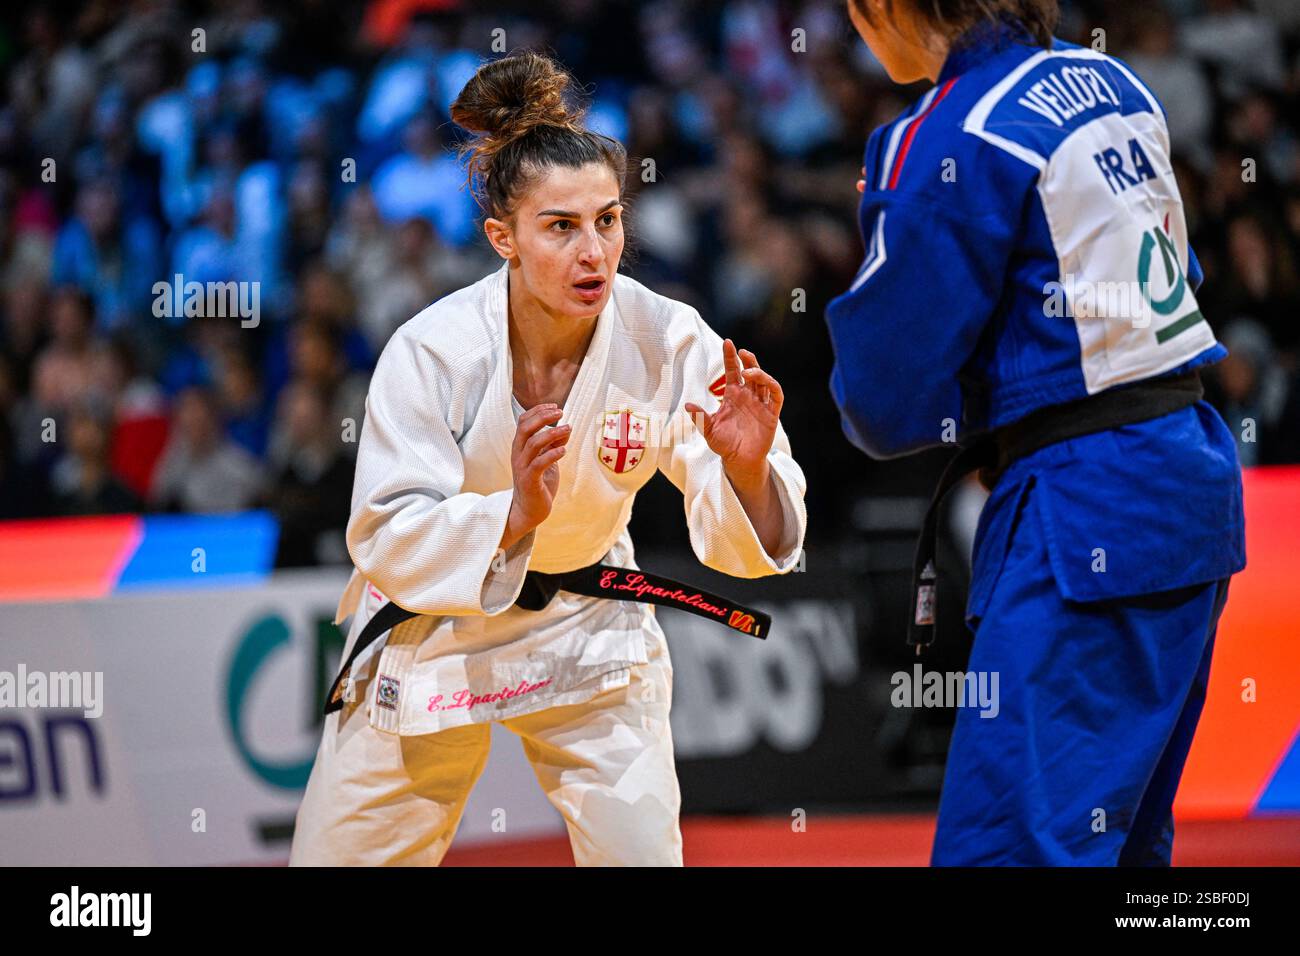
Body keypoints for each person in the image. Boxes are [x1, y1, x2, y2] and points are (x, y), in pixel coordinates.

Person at [290, 52, 808, 867]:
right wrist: (513, 516)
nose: (593, 251)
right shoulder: (433, 352)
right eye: (561, 227)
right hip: (436, 628)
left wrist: (743, 469)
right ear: (504, 237)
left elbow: (757, 528)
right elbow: (385, 531)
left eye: (607, 220)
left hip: (589, 622)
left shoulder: (665, 337)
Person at [826, 0, 1245, 865]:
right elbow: (1173, 283)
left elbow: (884, 397)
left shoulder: (950, 130)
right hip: (1189, 475)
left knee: (1011, 850)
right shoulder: (1112, 83)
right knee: (1123, 845)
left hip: (1085, 503)